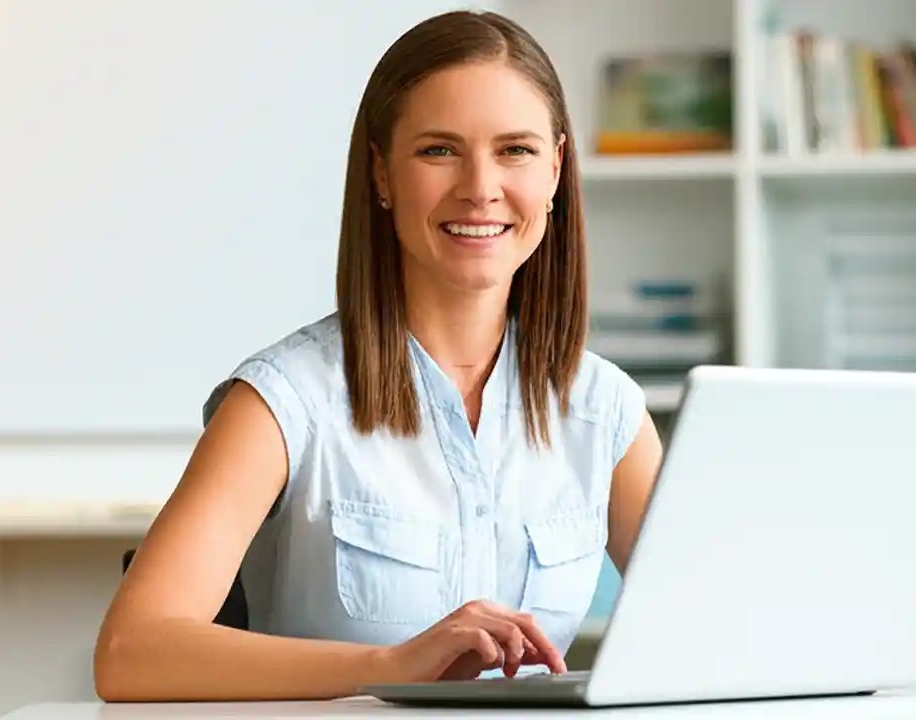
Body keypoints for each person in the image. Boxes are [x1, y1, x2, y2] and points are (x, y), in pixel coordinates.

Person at [93, 8, 663, 702]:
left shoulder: (606, 411)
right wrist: (391, 666)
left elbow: (724, 626)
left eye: (515, 150)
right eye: (439, 150)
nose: (481, 186)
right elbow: (131, 651)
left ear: (555, 170)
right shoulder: (284, 402)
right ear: (382, 174)